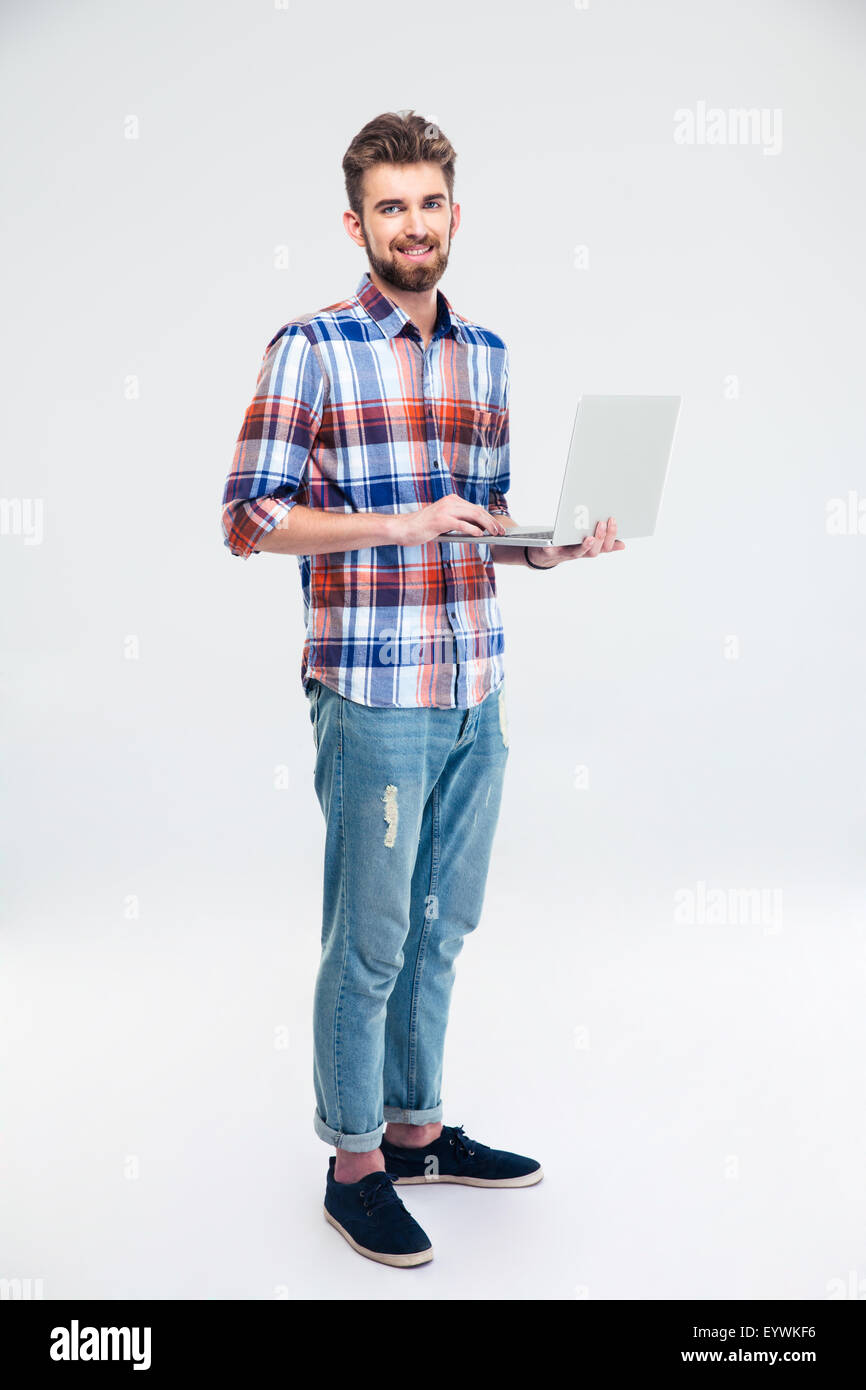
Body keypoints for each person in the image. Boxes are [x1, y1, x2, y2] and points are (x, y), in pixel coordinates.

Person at [220, 110, 624, 1268]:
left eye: (429, 202)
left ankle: (417, 1129)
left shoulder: (484, 354)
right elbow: (248, 518)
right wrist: (397, 521)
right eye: (389, 206)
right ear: (357, 223)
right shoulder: (309, 346)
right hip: (372, 693)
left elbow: (477, 523)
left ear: (455, 214)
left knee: (445, 927)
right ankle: (353, 1164)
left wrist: (534, 548)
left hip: (473, 686)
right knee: (371, 938)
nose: (412, 224)